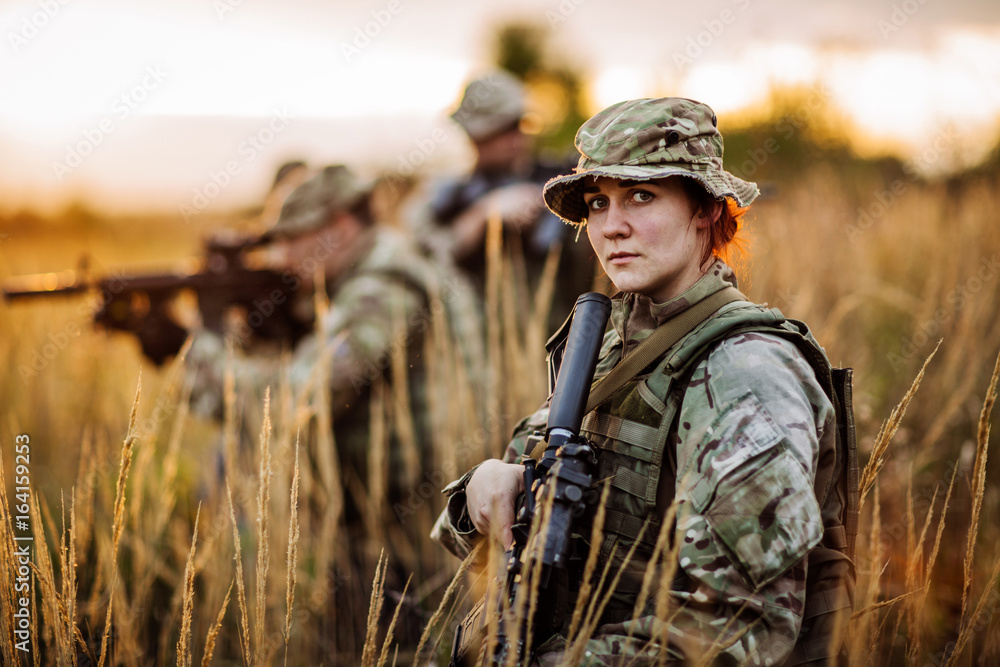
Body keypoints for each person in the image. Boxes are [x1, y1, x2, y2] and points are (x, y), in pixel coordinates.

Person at [431, 98, 854, 665]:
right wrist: (483, 487)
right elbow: (487, 530)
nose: (612, 226)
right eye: (598, 203)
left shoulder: (744, 371)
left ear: (705, 209)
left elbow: (741, 627)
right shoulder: (613, 343)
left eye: (641, 196)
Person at [185, 164, 484, 655]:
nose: (282, 256)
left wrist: (198, 344)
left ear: (340, 228)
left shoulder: (382, 285)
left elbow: (297, 397)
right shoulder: (381, 264)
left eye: (293, 239)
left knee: (388, 647)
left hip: (409, 524)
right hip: (401, 514)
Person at [412, 69, 594, 331]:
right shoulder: (450, 194)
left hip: (562, 338)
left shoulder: (558, 176)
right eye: (501, 130)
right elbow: (425, 255)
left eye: (519, 125)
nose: (515, 138)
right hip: (482, 343)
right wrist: (484, 213)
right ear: (474, 136)